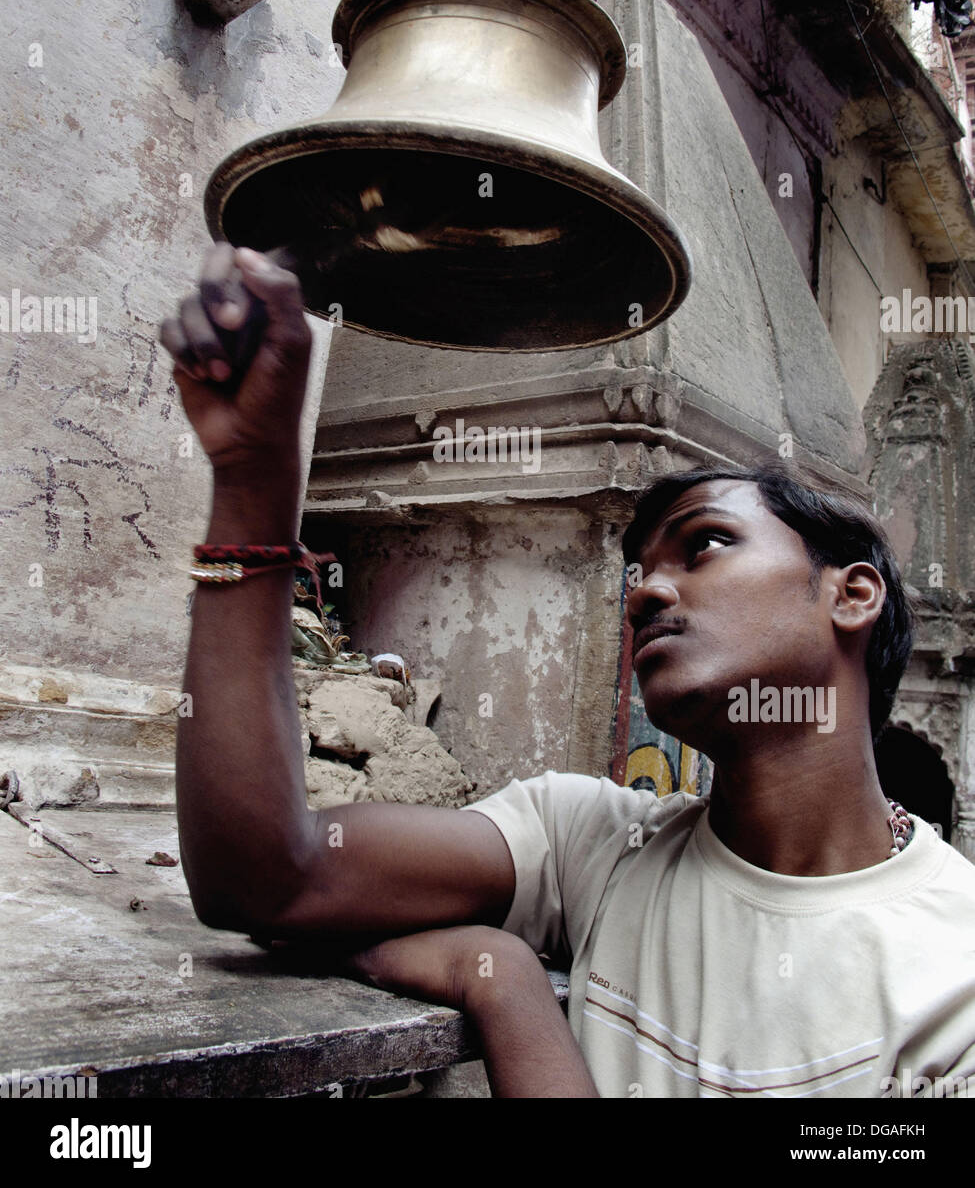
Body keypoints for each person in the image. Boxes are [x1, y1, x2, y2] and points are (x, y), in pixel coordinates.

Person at [161, 245, 975, 1100]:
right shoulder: (592, 840)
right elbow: (263, 876)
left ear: (849, 596)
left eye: (703, 544)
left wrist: (505, 987)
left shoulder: (952, 977)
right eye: (638, 570)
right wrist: (252, 491)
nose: (646, 592)